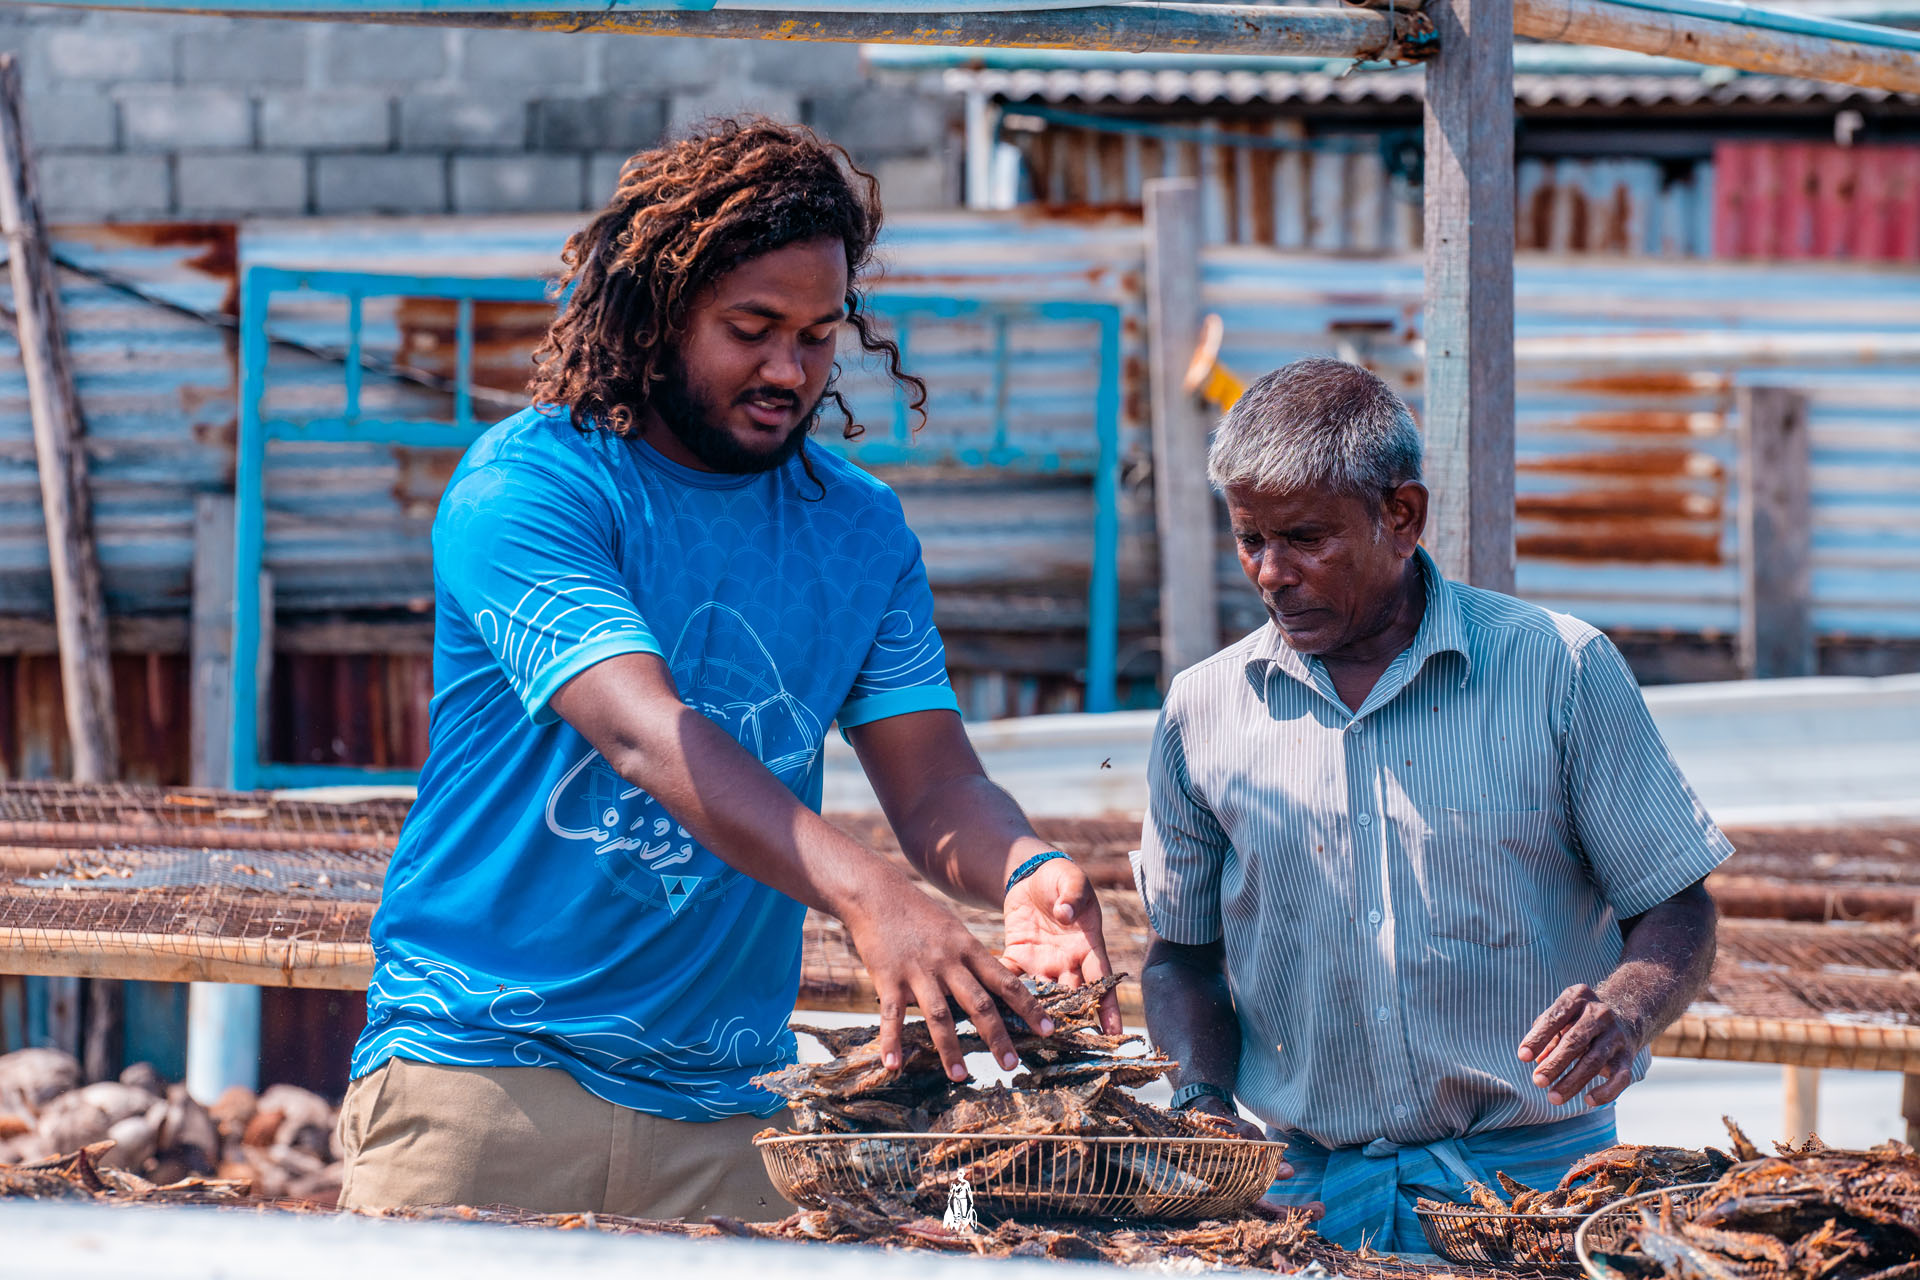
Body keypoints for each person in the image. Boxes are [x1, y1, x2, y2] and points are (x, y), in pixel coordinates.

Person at [338, 118, 1117, 1221]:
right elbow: (642, 730)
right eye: (751, 328)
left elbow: (936, 785)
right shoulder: (532, 486)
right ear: (659, 315)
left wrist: (1025, 865)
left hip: (732, 1116)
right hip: (483, 1077)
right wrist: (869, 893)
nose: (788, 369)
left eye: (818, 333)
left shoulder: (861, 530)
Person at [1133, 358, 1727, 1253]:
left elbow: (1675, 903)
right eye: (1249, 539)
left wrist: (1627, 1009)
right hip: (1301, 1201)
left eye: (1304, 538)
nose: (1270, 573)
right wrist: (1202, 1102)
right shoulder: (1204, 708)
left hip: (1537, 1195)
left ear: (1401, 516)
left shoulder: (1558, 671)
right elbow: (1180, 960)